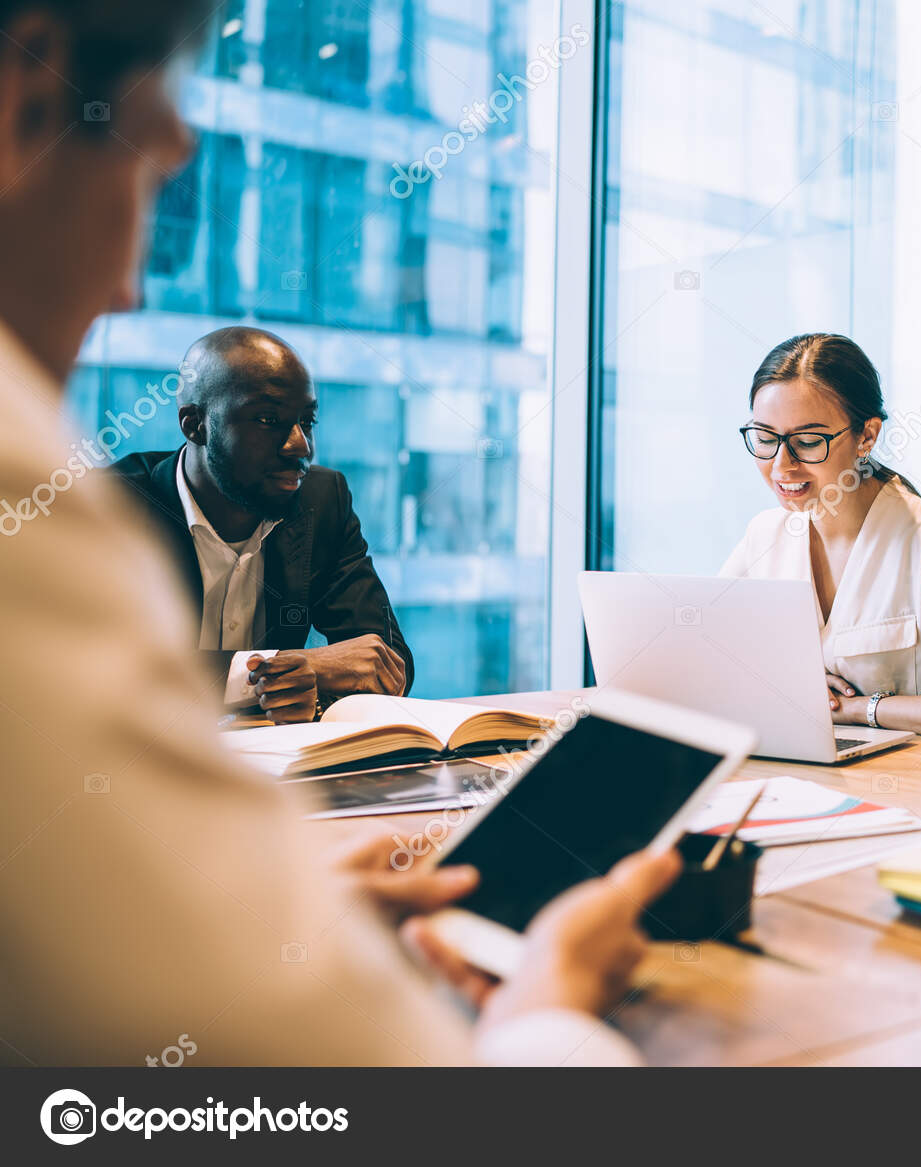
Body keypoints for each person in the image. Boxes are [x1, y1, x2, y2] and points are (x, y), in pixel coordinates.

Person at [0, 0, 677, 1066]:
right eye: (152, 177)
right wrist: (548, 1000)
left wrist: (289, 917)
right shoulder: (62, 492)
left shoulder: (318, 501)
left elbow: (385, 657)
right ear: (29, 107)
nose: (129, 279)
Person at [720, 333, 921, 743]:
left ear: (867, 436)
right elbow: (708, 658)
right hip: (808, 768)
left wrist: (859, 709)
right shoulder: (765, 536)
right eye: (765, 438)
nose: (781, 465)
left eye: (808, 442)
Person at [108, 327, 408, 723]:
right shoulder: (111, 507)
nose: (301, 446)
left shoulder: (323, 500)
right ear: (195, 424)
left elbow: (384, 661)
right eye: (269, 419)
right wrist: (284, 670)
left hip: (277, 768)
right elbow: (106, 671)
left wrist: (310, 687)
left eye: (307, 420)